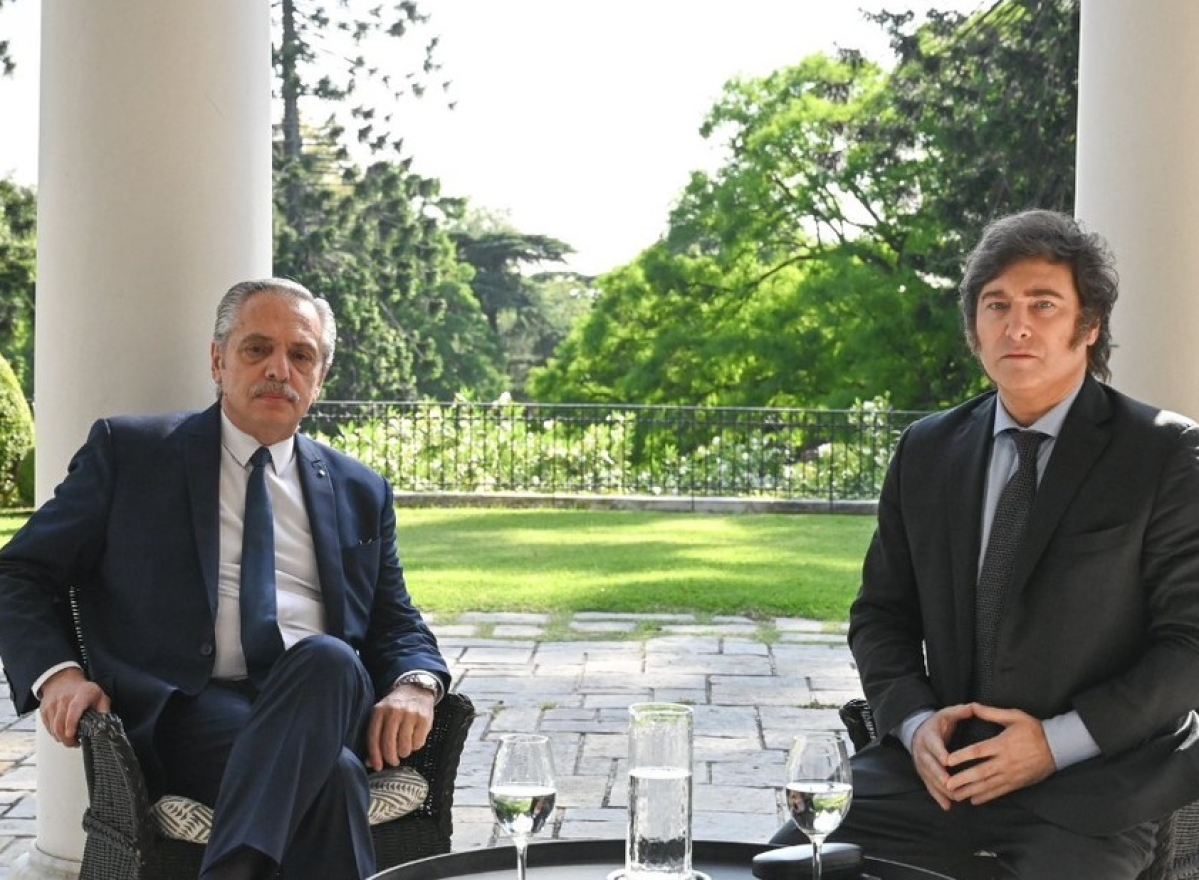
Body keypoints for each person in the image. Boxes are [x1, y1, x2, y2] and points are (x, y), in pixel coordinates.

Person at [771, 210, 1199, 877]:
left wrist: (1052, 745)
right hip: (933, 778)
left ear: (1087, 327)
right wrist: (914, 728)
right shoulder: (926, 450)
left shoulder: (1165, 453)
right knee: (789, 864)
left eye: (1043, 304)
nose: (1015, 324)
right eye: (995, 305)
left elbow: (1189, 644)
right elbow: (880, 615)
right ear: (973, 329)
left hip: (1091, 785)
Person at [0, 278, 451, 880]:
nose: (278, 370)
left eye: (300, 355)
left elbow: (396, 618)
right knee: (336, 778)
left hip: (328, 700)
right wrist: (58, 675)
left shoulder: (359, 489)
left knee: (329, 661)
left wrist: (417, 685)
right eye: (256, 349)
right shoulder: (132, 454)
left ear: (320, 377)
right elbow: (19, 571)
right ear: (218, 360)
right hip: (188, 712)